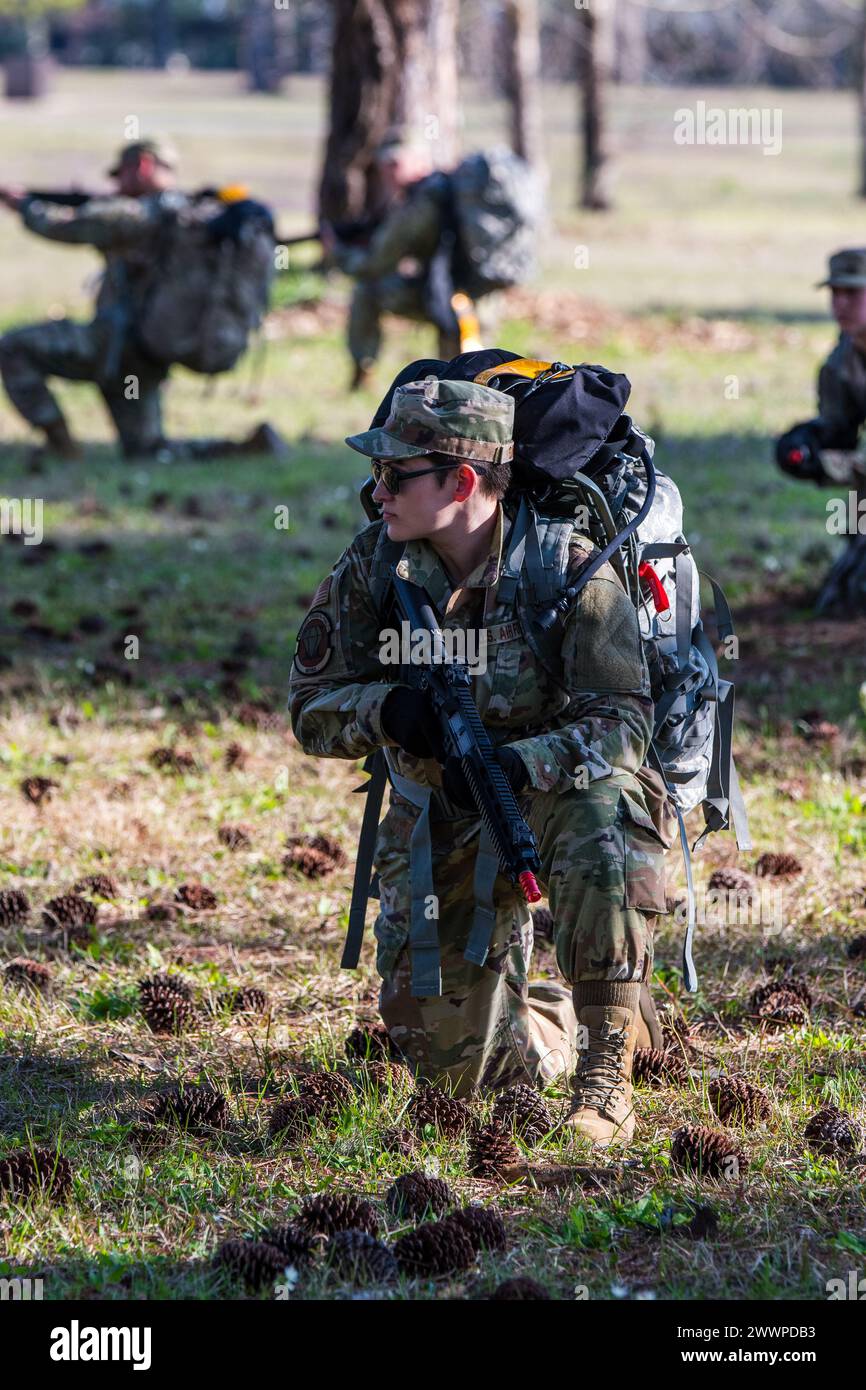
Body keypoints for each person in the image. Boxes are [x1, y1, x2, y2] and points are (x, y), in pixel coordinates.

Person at [288, 375, 670, 1148]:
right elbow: (308, 706)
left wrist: (521, 764)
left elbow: (625, 723)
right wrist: (387, 712)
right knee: (465, 1074)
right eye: (376, 472)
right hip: (440, 809)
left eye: (397, 474)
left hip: (553, 794)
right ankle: (570, 1015)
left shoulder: (568, 568)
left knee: (605, 820)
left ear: (463, 481)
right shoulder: (376, 567)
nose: (378, 490)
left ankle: (606, 1072)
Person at [0, 138, 286, 463]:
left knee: (12, 347)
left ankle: (62, 446)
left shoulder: (140, 214)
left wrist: (24, 205)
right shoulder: (187, 214)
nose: (116, 185)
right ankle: (249, 449)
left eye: (120, 174)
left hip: (111, 346)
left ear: (143, 166)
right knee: (148, 452)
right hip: (146, 356)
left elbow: (68, 226)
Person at [322, 138, 488, 392]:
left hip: (454, 300)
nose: (388, 172)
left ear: (420, 161)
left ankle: (364, 370)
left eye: (395, 163)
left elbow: (375, 263)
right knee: (468, 378)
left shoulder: (423, 201)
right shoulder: (447, 191)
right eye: (384, 165)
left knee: (367, 289)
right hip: (480, 293)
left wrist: (338, 253)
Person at [776, 247, 866, 614]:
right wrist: (807, 447)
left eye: (853, 293)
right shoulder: (841, 362)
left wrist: (838, 465)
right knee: (851, 514)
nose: (840, 304)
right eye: (835, 293)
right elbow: (838, 429)